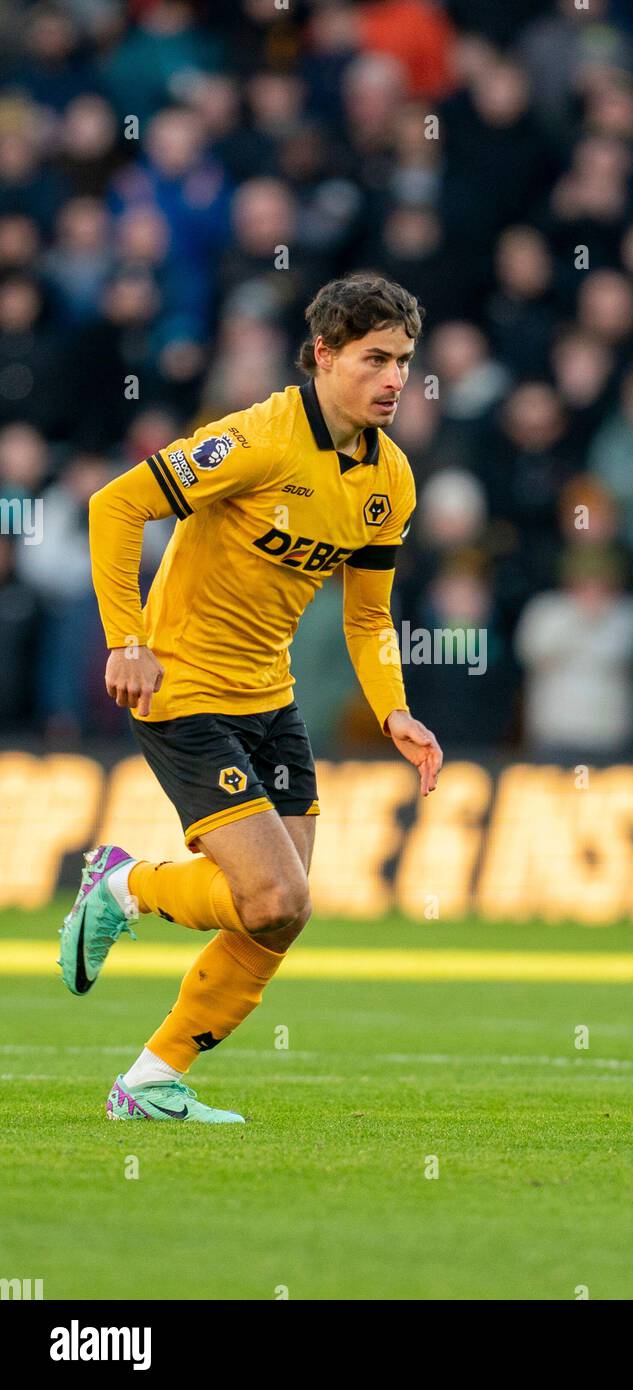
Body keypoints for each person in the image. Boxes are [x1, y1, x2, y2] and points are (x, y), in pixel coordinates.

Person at [59, 273, 443, 1123]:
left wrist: (393, 710)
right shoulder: (256, 441)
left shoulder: (391, 482)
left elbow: (370, 615)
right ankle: (124, 888)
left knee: (277, 917)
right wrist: (127, 639)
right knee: (277, 897)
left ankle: (153, 1078)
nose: (393, 380)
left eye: (405, 362)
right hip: (184, 687)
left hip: (271, 698)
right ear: (324, 357)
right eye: (375, 359)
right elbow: (115, 506)